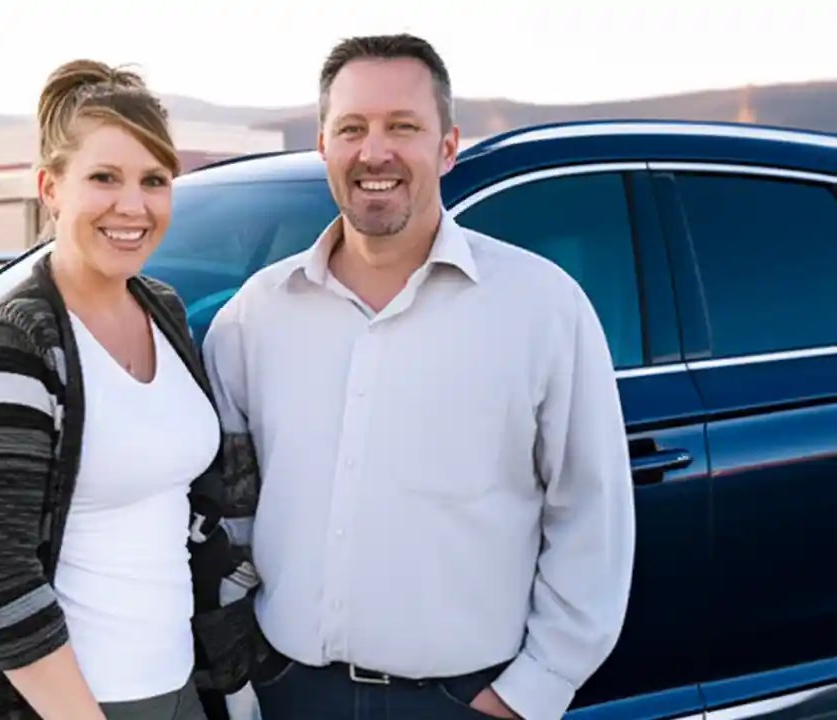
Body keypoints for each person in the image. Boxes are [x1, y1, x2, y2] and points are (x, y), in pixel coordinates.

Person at [202, 34, 636, 720]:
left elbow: (591, 516)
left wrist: (528, 695)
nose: (375, 152)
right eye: (352, 129)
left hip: (462, 701)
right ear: (323, 145)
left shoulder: (541, 307)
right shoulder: (255, 317)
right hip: (291, 694)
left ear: (448, 145)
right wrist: (249, 680)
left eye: (402, 127)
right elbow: (234, 512)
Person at [0, 59, 260, 720]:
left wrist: (231, 677)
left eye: (154, 180)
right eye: (104, 178)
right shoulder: (10, 349)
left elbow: (192, 518)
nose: (132, 206)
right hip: (69, 704)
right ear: (50, 189)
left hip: (177, 689)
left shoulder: (163, 310)